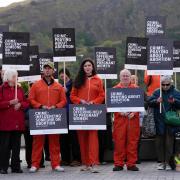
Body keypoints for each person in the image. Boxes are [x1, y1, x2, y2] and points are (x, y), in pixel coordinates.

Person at [29, 61, 67, 173]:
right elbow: (31, 99)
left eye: (49, 68)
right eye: (45, 68)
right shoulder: (36, 85)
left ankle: (56, 164)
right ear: (42, 71)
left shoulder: (58, 86)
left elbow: (64, 100)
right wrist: (40, 106)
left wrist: (56, 106)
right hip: (40, 116)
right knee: (37, 142)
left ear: (53, 70)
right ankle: (35, 164)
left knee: (54, 142)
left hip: (54, 116)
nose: (47, 70)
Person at [70, 58, 105, 173]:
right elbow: (72, 96)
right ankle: (86, 163)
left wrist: (93, 102)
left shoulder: (98, 80)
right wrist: (81, 101)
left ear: (93, 67)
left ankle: (94, 163)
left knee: (93, 139)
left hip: (94, 113)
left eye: (89, 65)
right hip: (80, 113)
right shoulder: (78, 80)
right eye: (85, 66)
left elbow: (102, 95)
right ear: (82, 68)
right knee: (82, 139)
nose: (87, 67)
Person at [148, 75, 180, 170]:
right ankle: (161, 162)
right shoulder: (157, 92)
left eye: (167, 84)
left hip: (171, 121)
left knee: (169, 143)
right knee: (159, 142)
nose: (165, 86)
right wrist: (156, 101)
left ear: (171, 83)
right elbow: (149, 102)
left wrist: (175, 101)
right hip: (159, 120)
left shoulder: (176, 92)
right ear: (160, 84)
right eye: (163, 84)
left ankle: (168, 162)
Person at [0, 69, 29, 174]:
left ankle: (16, 167)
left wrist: (20, 104)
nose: (16, 78)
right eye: (14, 76)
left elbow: (26, 103)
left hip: (18, 122)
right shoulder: (1, 89)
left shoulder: (20, 89)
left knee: (16, 147)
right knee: (5, 147)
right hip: (5, 123)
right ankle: (3, 167)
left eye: (16, 76)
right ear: (8, 77)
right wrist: (10, 102)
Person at [113, 69, 140, 171]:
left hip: (132, 120)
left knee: (132, 142)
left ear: (130, 77)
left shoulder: (136, 89)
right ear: (120, 77)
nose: (125, 77)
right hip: (120, 120)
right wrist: (119, 112)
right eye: (123, 76)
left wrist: (134, 113)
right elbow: (111, 107)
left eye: (127, 76)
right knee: (119, 142)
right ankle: (118, 163)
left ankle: (131, 163)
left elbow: (139, 105)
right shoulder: (115, 89)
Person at [59, 68, 81, 166]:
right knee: (63, 137)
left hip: (72, 112)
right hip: (62, 112)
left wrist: (67, 91)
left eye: (64, 74)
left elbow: (75, 95)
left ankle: (76, 158)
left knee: (73, 137)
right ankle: (65, 158)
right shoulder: (60, 86)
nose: (62, 76)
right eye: (61, 75)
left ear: (68, 74)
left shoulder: (74, 84)